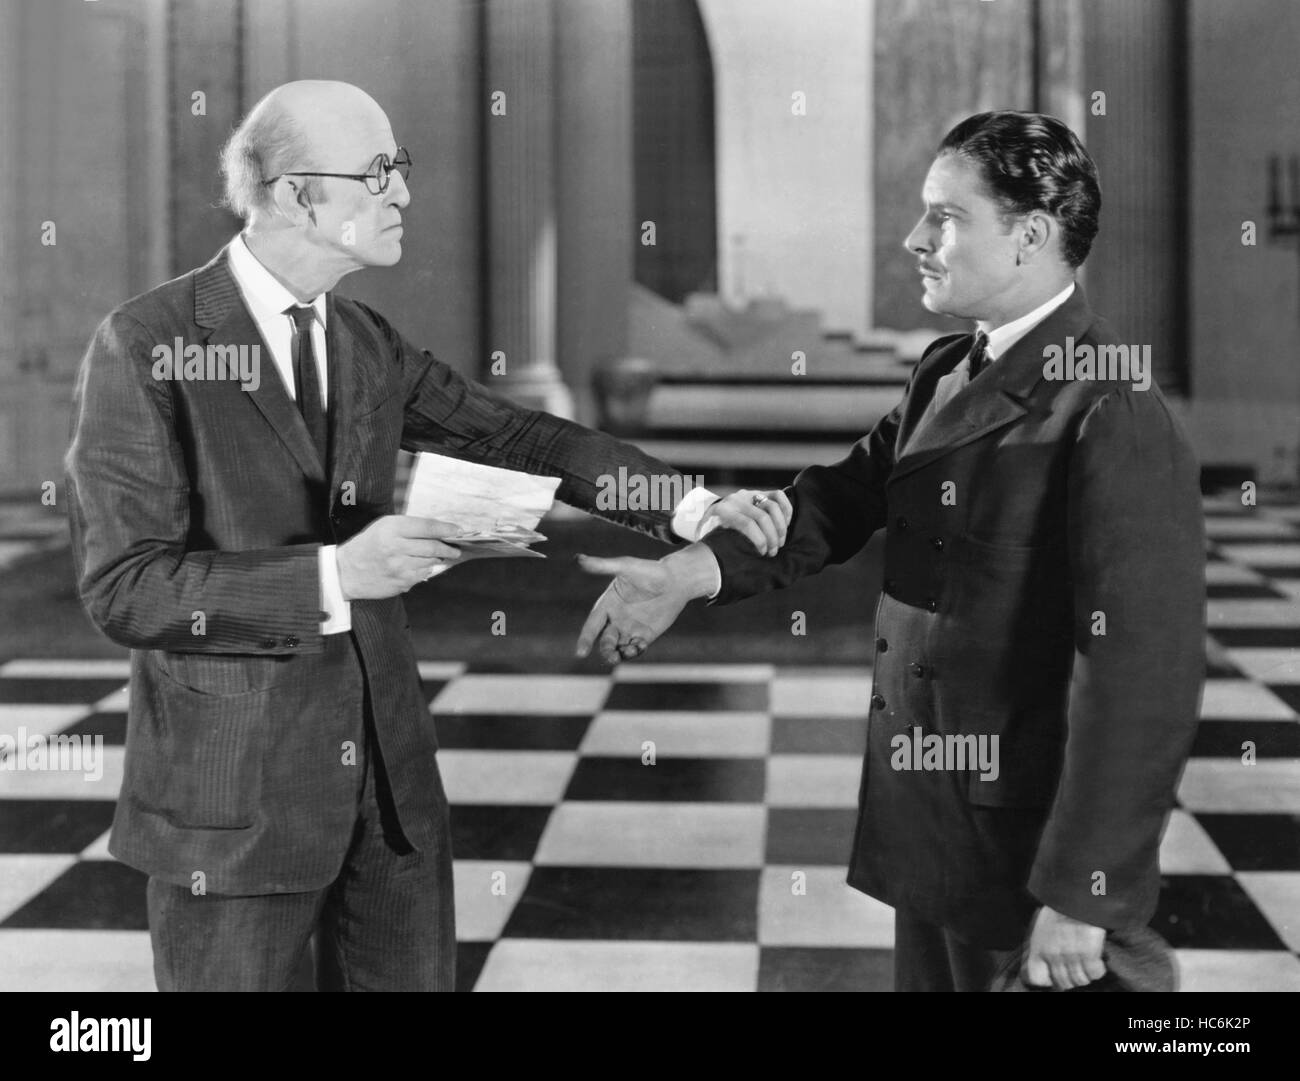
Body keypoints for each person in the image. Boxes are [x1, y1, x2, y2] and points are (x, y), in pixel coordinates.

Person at [65, 80, 782, 992]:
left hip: (391, 795)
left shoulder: (364, 340)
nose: (402, 193)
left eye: (398, 168)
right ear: (294, 194)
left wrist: (687, 508)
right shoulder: (147, 344)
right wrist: (336, 575)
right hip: (233, 809)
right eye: (378, 173)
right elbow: (125, 588)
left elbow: (520, 435)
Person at [577, 111, 1205, 992]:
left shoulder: (1113, 405)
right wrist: (691, 570)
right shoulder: (946, 369)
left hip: (1032, 861)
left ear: (1030, 236)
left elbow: (1144, 674)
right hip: (936, 828)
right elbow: (838, 498)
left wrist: (1086, 890)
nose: (915, 239)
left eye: (945, 218)